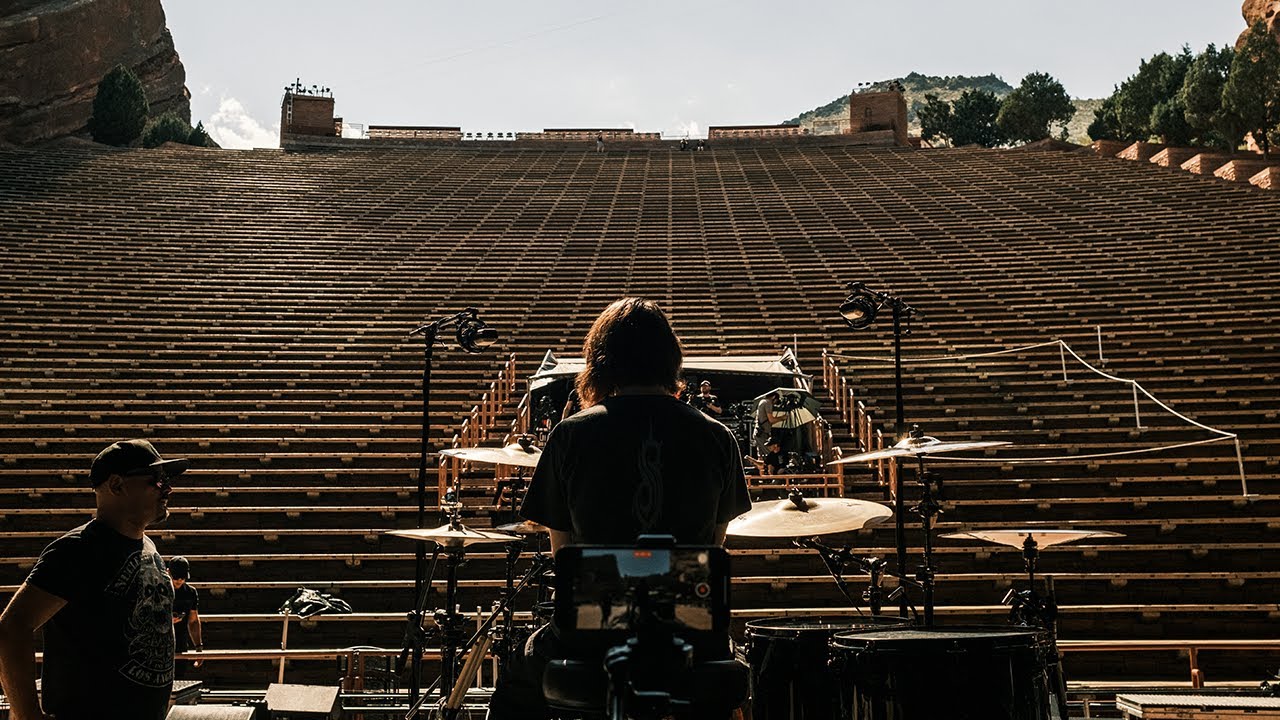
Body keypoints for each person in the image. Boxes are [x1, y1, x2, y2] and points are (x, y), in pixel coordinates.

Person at [487, 298, 752, 719]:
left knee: (516, 690)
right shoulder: (717, 436)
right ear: (671, 359)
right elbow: (713, 544)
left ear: (599, 361)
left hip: (591, 632)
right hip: (694, 630)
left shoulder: (570, 435)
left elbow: (564, 552)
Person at [0, 439, 188, 720]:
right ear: (116, 485)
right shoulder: (78, 550)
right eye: (157, 480)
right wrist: (27, 715)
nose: (168, 488)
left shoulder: (148, 547)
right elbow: (12, 626)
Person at [167, 556, 203, 679]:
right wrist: (166, 620)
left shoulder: (190, 592)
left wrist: (198, 647)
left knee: (178, 679)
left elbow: (193, 621)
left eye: (183, 577)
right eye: (176, 576)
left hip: (181, 643)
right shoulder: (160, 590)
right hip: (160, 643)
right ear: (168, 572)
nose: (180, 580)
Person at [753, 389, 789, 454]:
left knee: (761, 455)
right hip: (762, 433)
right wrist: (782, 418)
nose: (774, 404)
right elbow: (771, 420)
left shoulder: (762, 401)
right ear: (773, 397)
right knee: (769, 454)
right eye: (775, 401)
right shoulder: (768, 402)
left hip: (759, 432)